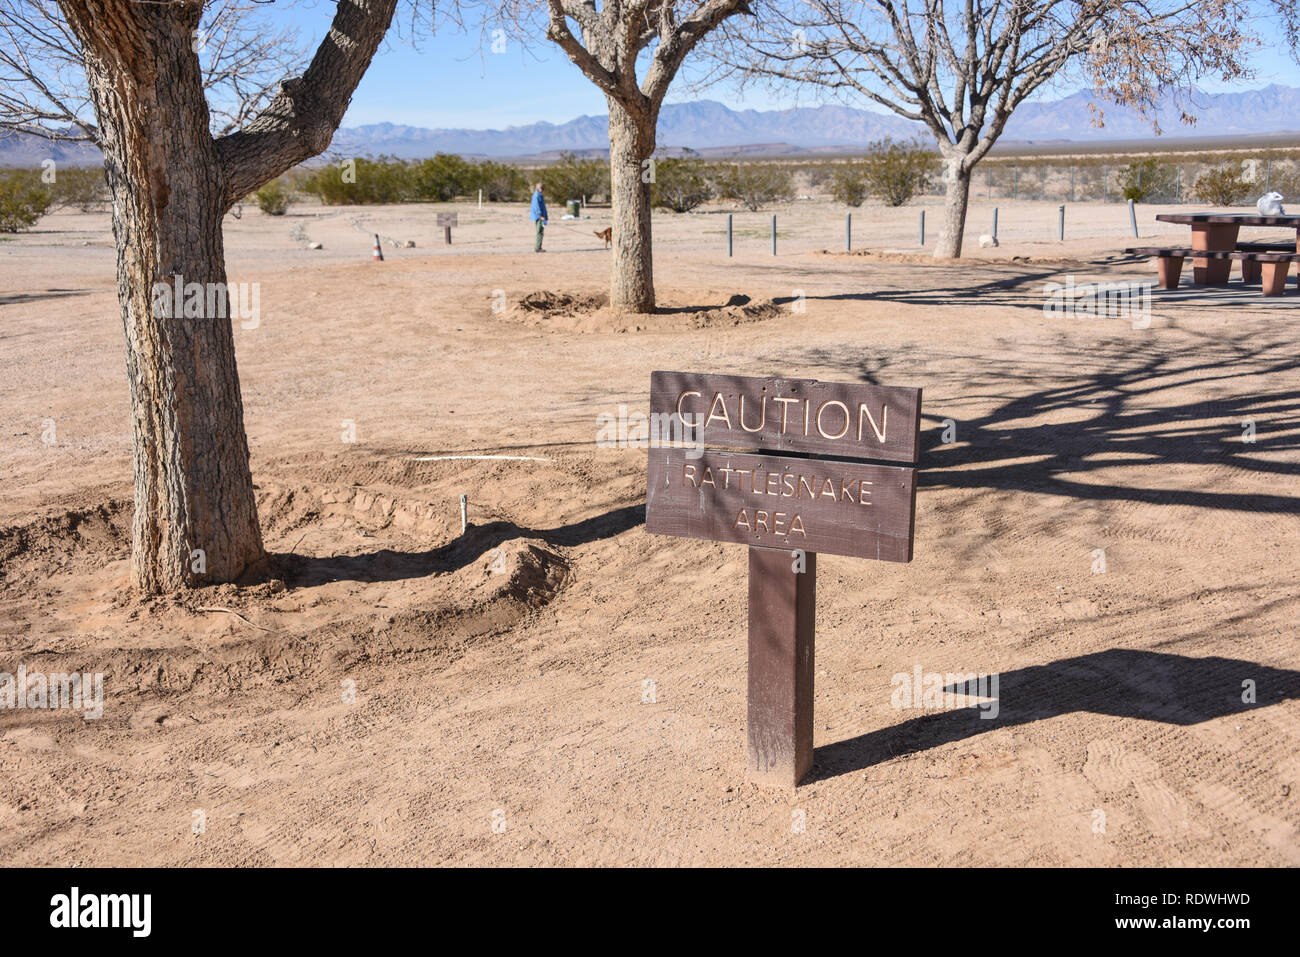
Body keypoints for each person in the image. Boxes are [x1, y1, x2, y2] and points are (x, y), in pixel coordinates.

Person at [530, 183, 548, 252]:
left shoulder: (540, 195)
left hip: (543, 217)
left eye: (543, 188)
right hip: (539, 217)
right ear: (538, 188)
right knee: (539, 231)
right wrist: (541, 216)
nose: (542, 190)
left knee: (541, 231)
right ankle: (537, 248)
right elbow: (536, 207)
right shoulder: (536, 196)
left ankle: (539, 247)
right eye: (541, 188)